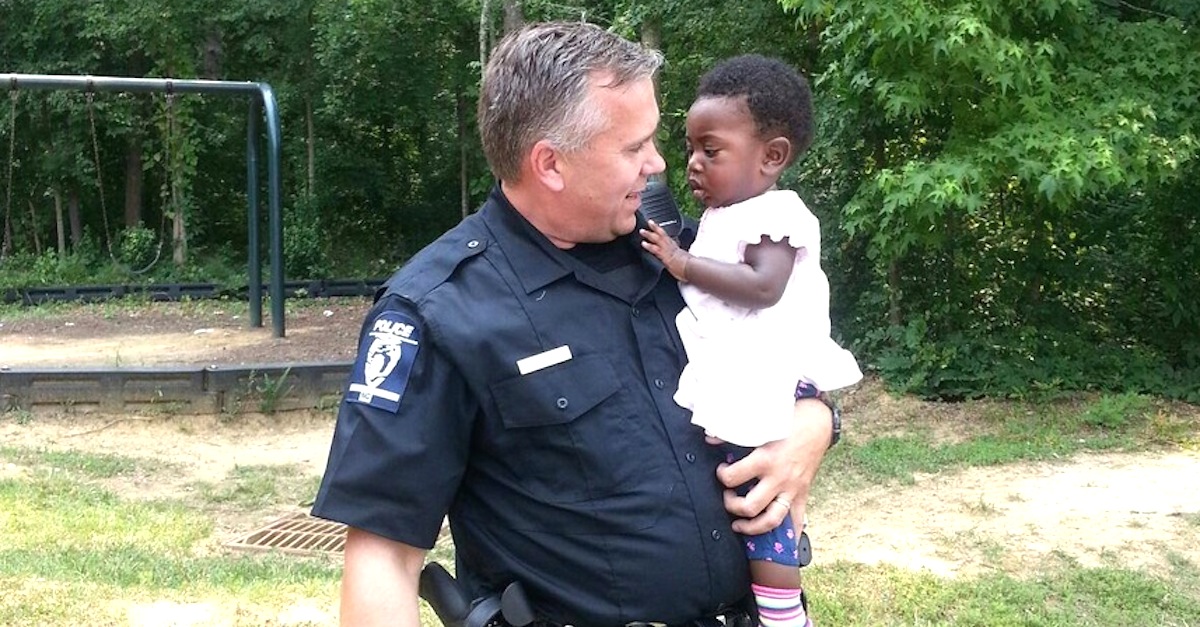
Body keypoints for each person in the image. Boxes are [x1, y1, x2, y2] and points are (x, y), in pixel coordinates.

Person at [311, 23, 837, 627]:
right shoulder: (440, 310)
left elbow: (785, 345)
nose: (658, 163)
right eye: (633, 147)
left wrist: (816, 422)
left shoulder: (678, 248)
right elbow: (384, 555)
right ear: (550, 164)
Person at [640, 55, 862, 627]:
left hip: (769, 377)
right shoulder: (725, 213)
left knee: (766, 510)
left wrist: (681, 263)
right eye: (690, 148)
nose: (690, 164)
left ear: (772, 156)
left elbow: (763, 287)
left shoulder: (776, 213)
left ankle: (785, 611)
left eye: (710, 151)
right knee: (751, 496)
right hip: (744, 373)